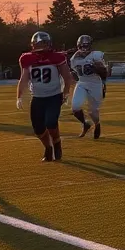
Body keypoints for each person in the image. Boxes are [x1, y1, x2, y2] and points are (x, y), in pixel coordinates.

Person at [17, 31, 74, 162]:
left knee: (50, 122)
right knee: (38, 129)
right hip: (37, 97)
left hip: (54, 95)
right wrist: (19, 96)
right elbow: (24, 78)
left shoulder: (57, 57)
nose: (40, 45)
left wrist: (65, 92)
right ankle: (48, 147)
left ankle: (57, 142)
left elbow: (67, 76)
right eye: (38, 43)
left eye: (43, 43)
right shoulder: (27, 58)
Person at [69, 34, 107, 139]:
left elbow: (105, 73)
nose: (84, 48)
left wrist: (97, 68)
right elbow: (75, 74)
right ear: (78, 46)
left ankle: (97, 124)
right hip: (82, 83)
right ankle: (85, 123)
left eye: (86, 46)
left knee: (93, 111)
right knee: (75, 107)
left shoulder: (96, 55)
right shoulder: (74, 59)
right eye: (82, 46)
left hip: (95, 84)